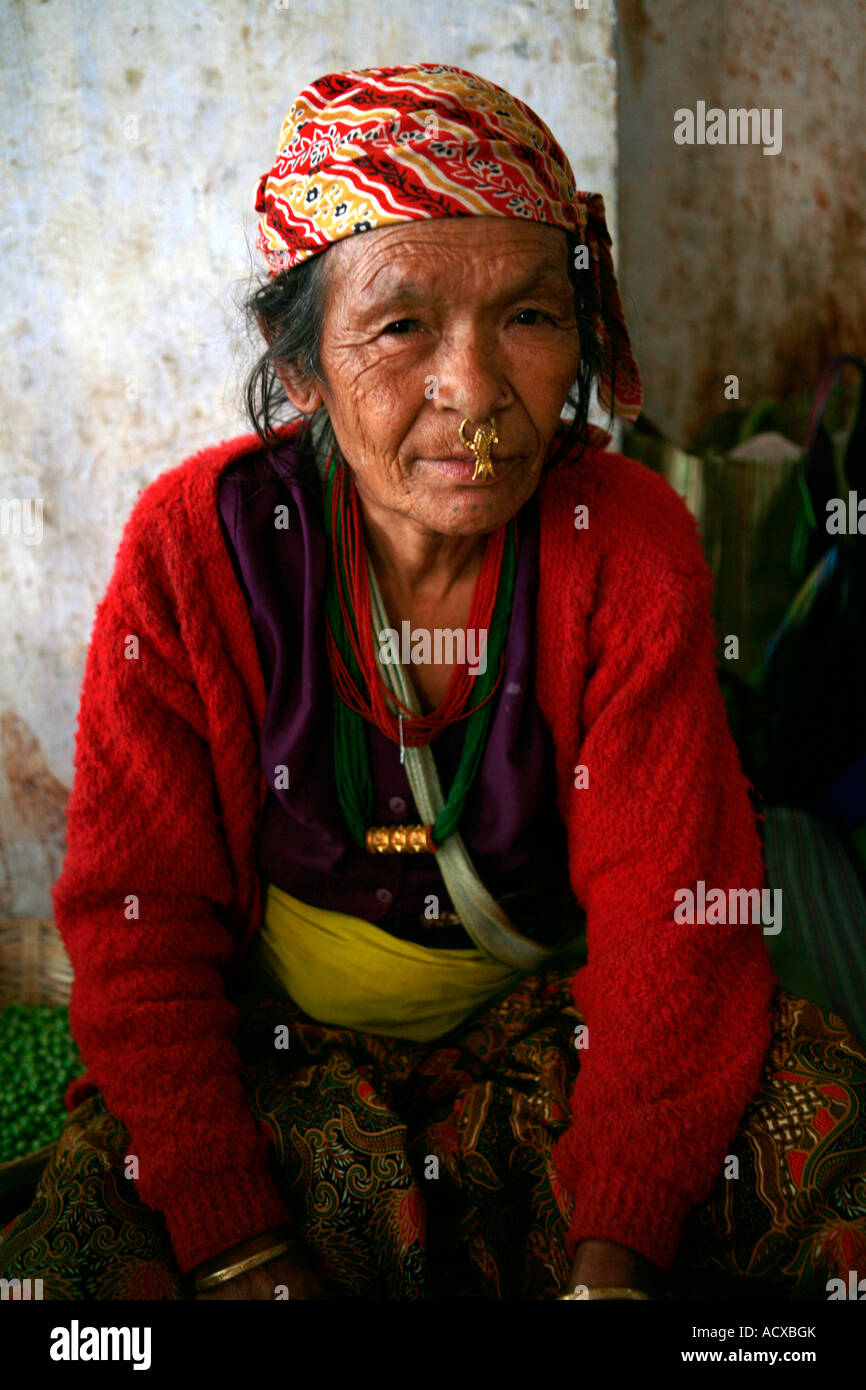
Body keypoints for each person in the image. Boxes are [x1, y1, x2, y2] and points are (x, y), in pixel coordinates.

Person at [2, 62, 865, 1301]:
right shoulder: (196, 547)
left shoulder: (621, 539)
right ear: (299, 367)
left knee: (818, 1134)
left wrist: (613, 1249)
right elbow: (139, 923)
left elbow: (668, 918)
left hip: (551, 1031)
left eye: (526, 317)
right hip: (284, 1055)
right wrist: (237, 1237)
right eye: (401, 326)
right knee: (101, 1261)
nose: (471, 392)